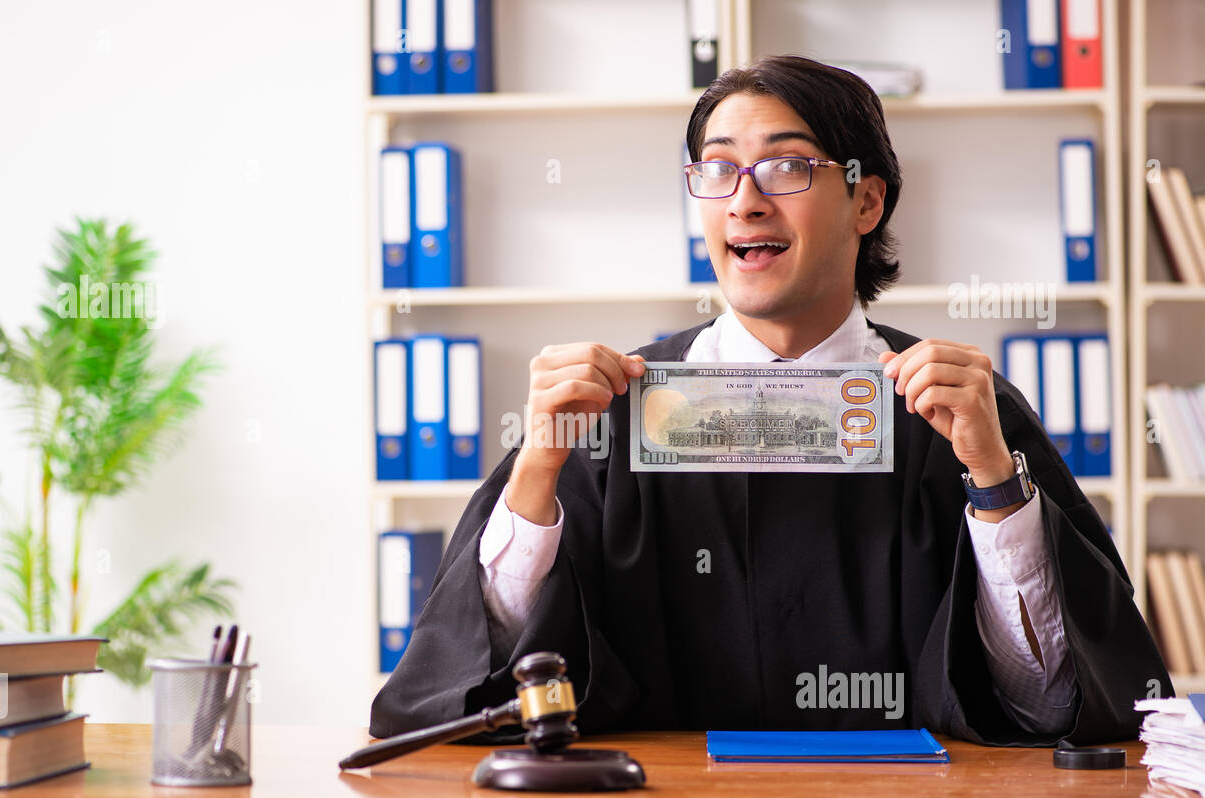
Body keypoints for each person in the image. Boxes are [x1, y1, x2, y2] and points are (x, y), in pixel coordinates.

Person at [370, 55, 1170, 747]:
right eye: (717, 170)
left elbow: (1052, 702)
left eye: (787, 167)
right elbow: (478, 689)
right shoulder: (609, 411)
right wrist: (536, 477)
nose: (744, 201)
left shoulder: (962, 415)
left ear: (867, 202)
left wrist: (995, 486)